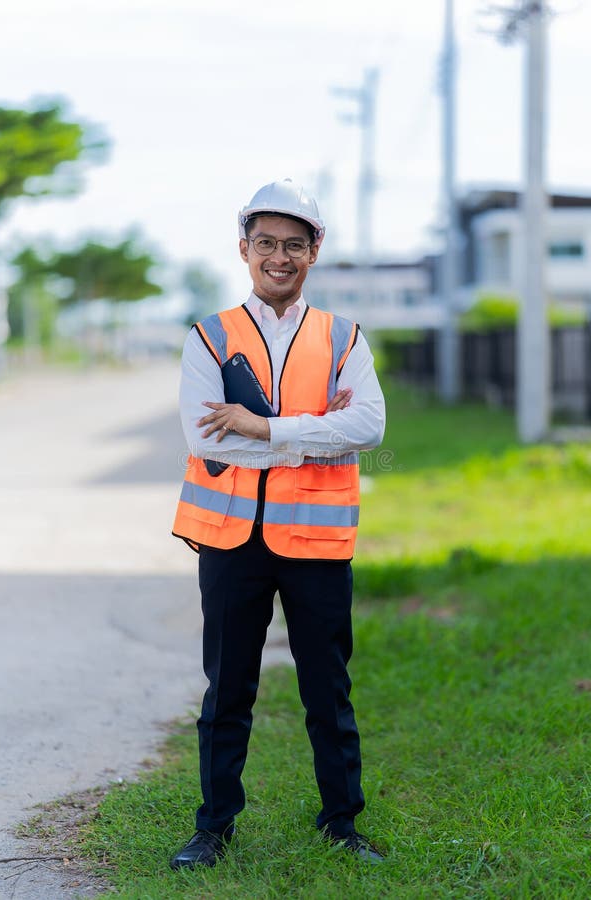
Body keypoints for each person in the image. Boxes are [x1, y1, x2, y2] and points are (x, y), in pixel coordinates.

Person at [171, 178, 386, 870]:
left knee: (328, 690)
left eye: (295, 244)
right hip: (231, 541)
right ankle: (213, 830)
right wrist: (321, 429)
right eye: (266, 243)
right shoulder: (209, 337)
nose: (279, 256)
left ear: (314, 251)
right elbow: (208, 441)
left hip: (317, 542)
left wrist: (263, 425)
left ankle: (342, 824)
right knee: (228, 689)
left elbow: (370, 426)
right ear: (245, 249)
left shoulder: (344, 338)